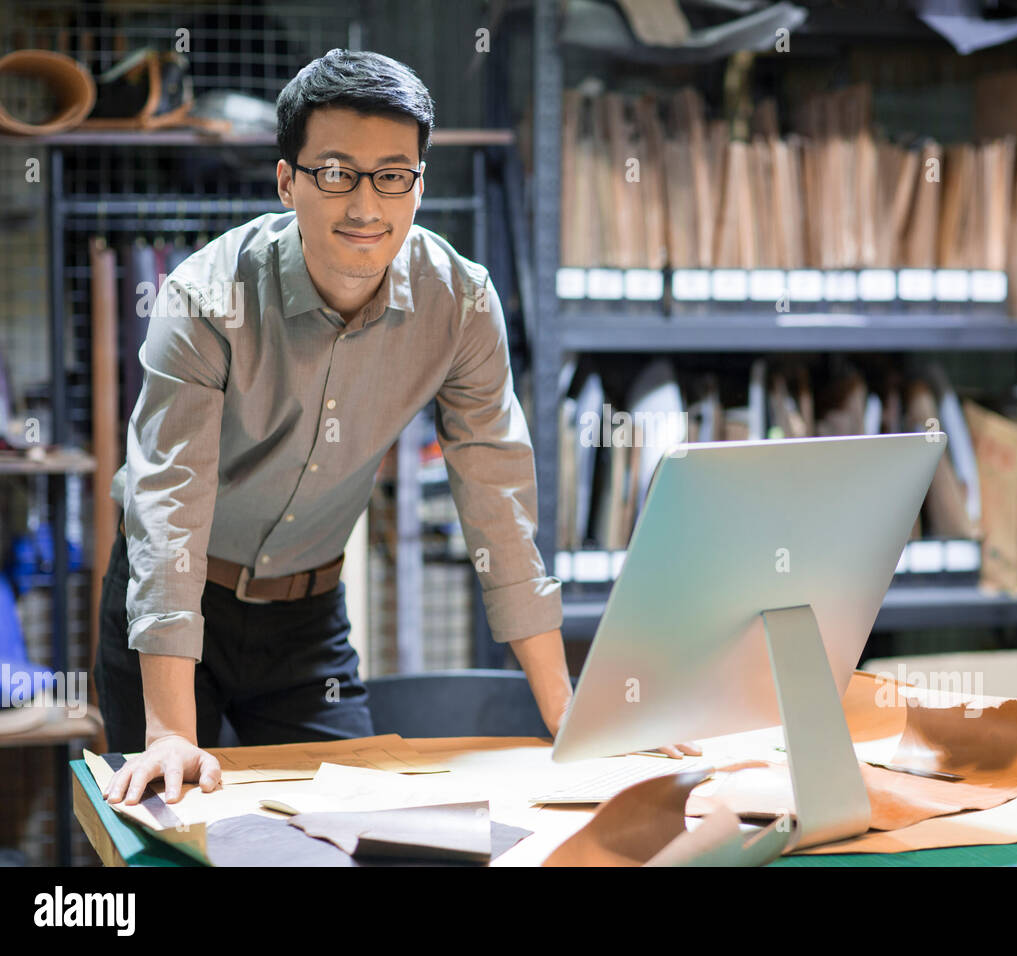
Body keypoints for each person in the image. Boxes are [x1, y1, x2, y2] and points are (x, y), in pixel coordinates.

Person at [97, 49, 698, 808]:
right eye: (336, 172)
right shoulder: (206, 298)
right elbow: (168, 512)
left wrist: (569, 712)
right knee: (167, 825)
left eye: (392, 176)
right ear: (287, 181)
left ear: (420, 182)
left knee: (359, 830)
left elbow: (497, 509)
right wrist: (171, 734)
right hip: (166, 606)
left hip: (305, 623)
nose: (365, 206)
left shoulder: (461, 304)